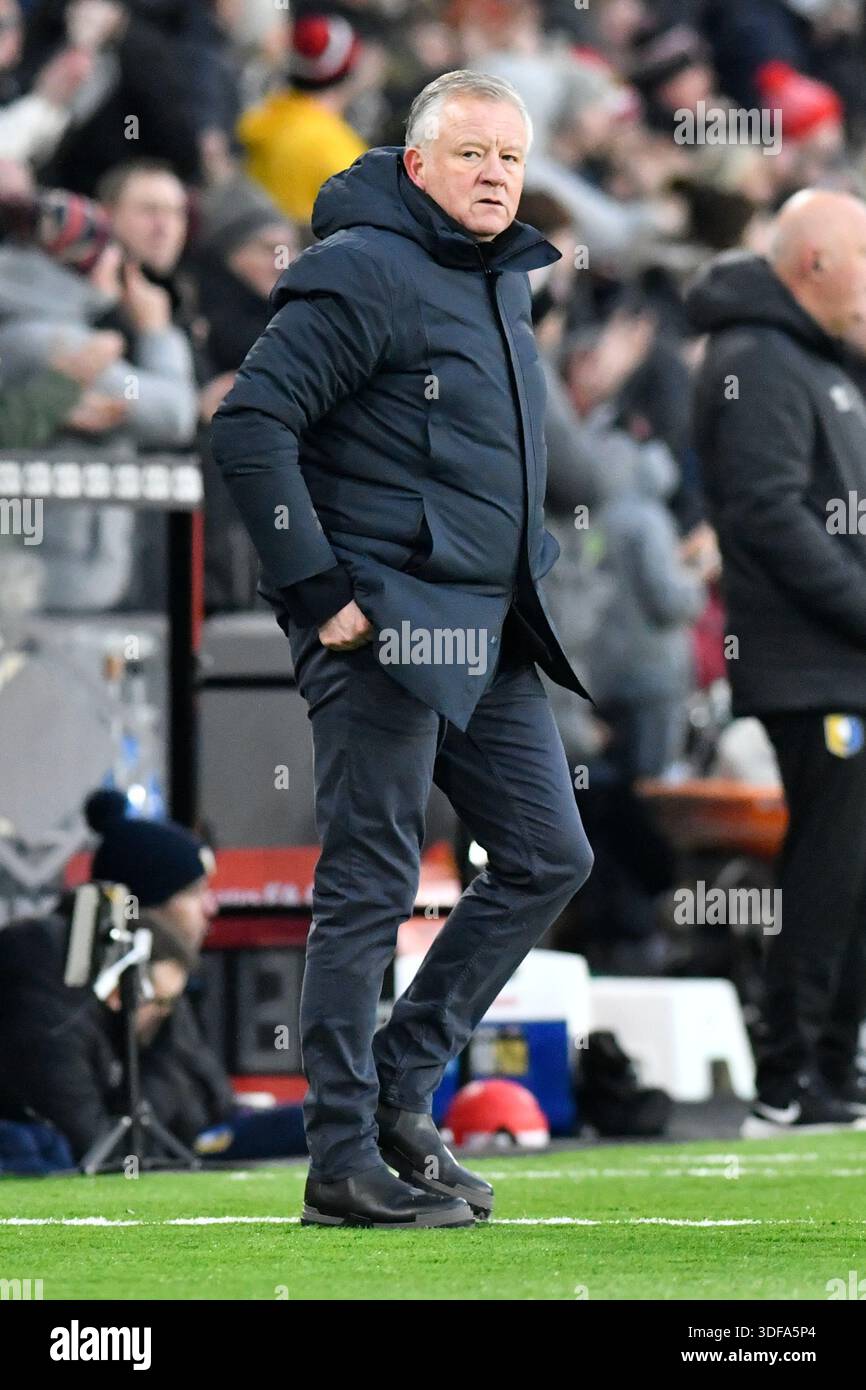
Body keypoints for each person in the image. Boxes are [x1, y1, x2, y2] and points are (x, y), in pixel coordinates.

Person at [212, 69, 594, 1229]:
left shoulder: (499, 280)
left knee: (547, 854)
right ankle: (339, 1159)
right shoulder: (365, 265)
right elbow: (249, 423)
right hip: (380, 618)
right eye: (472, 153)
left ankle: (394, 1092)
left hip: (486, 620)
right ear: (417, 164)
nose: (494, 175)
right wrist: (317, 584)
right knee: (371, 880)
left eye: (510, 159)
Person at [689, 189, 866, 1135]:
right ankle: (791, 1077)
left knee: (852, 863)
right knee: (829, 864)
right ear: (816, 264)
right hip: (810, 664)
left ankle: (834, 1070)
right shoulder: (756, 359)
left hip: (841, 659)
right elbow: (767, 515)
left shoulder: (813, 360)